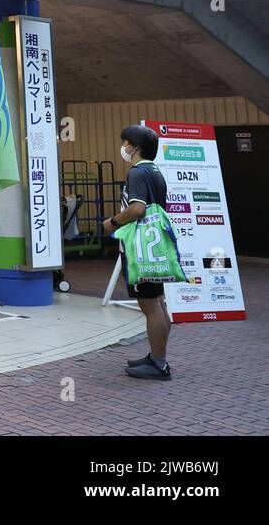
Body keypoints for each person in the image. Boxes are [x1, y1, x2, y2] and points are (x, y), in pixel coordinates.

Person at [105, 125, 176, 381]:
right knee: (158, 301)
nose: (123, 148)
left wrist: (112, 222)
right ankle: (157, 356)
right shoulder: (155, 171)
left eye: (125, 143)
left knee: (149, 305)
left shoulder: (137, 172)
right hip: (156, 247)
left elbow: (137, 209)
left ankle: (158, 363)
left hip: (140, 248)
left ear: (134, 146)